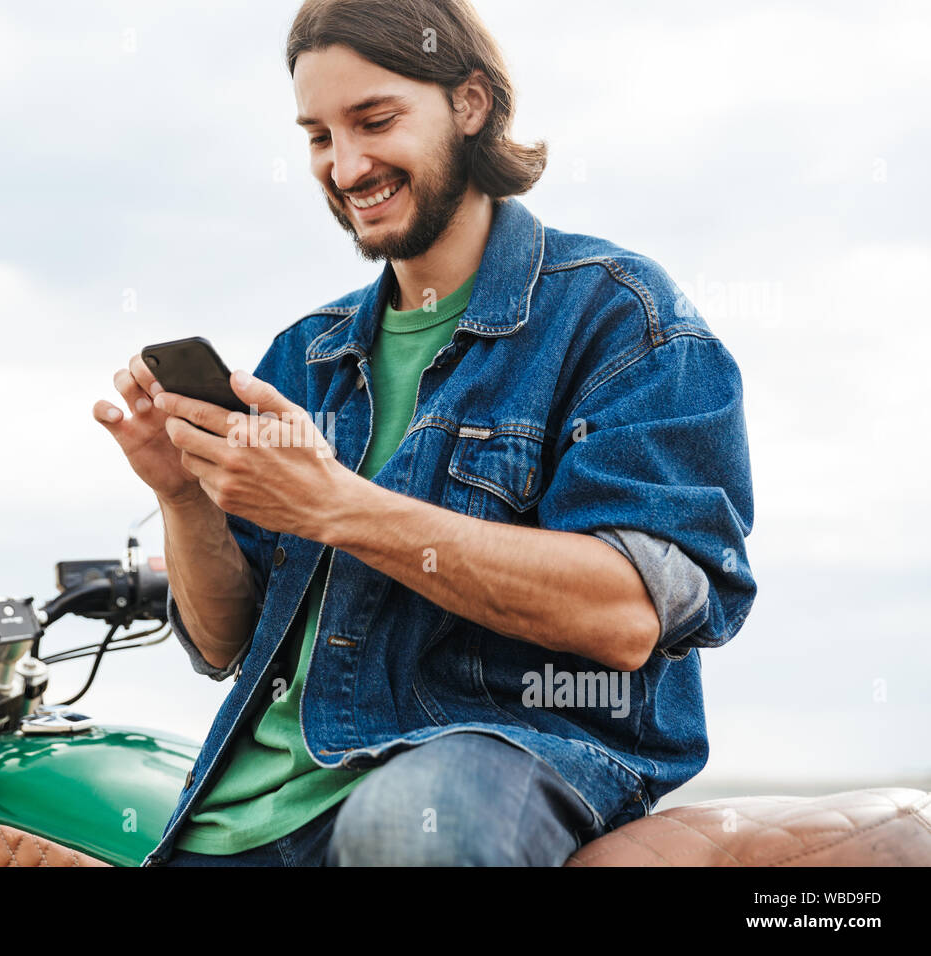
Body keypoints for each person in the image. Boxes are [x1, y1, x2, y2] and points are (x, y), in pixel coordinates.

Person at [94, 0, 755, 867]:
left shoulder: (622, 318)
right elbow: (225, 644)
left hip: (486, 766)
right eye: (319, 137)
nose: (347, 164)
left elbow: (628, 612)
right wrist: (183, 495)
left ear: (471, 104)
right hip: (238, 820)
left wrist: (341, 508)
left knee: (408, 818)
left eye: (374, 121)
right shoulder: (305, 356)